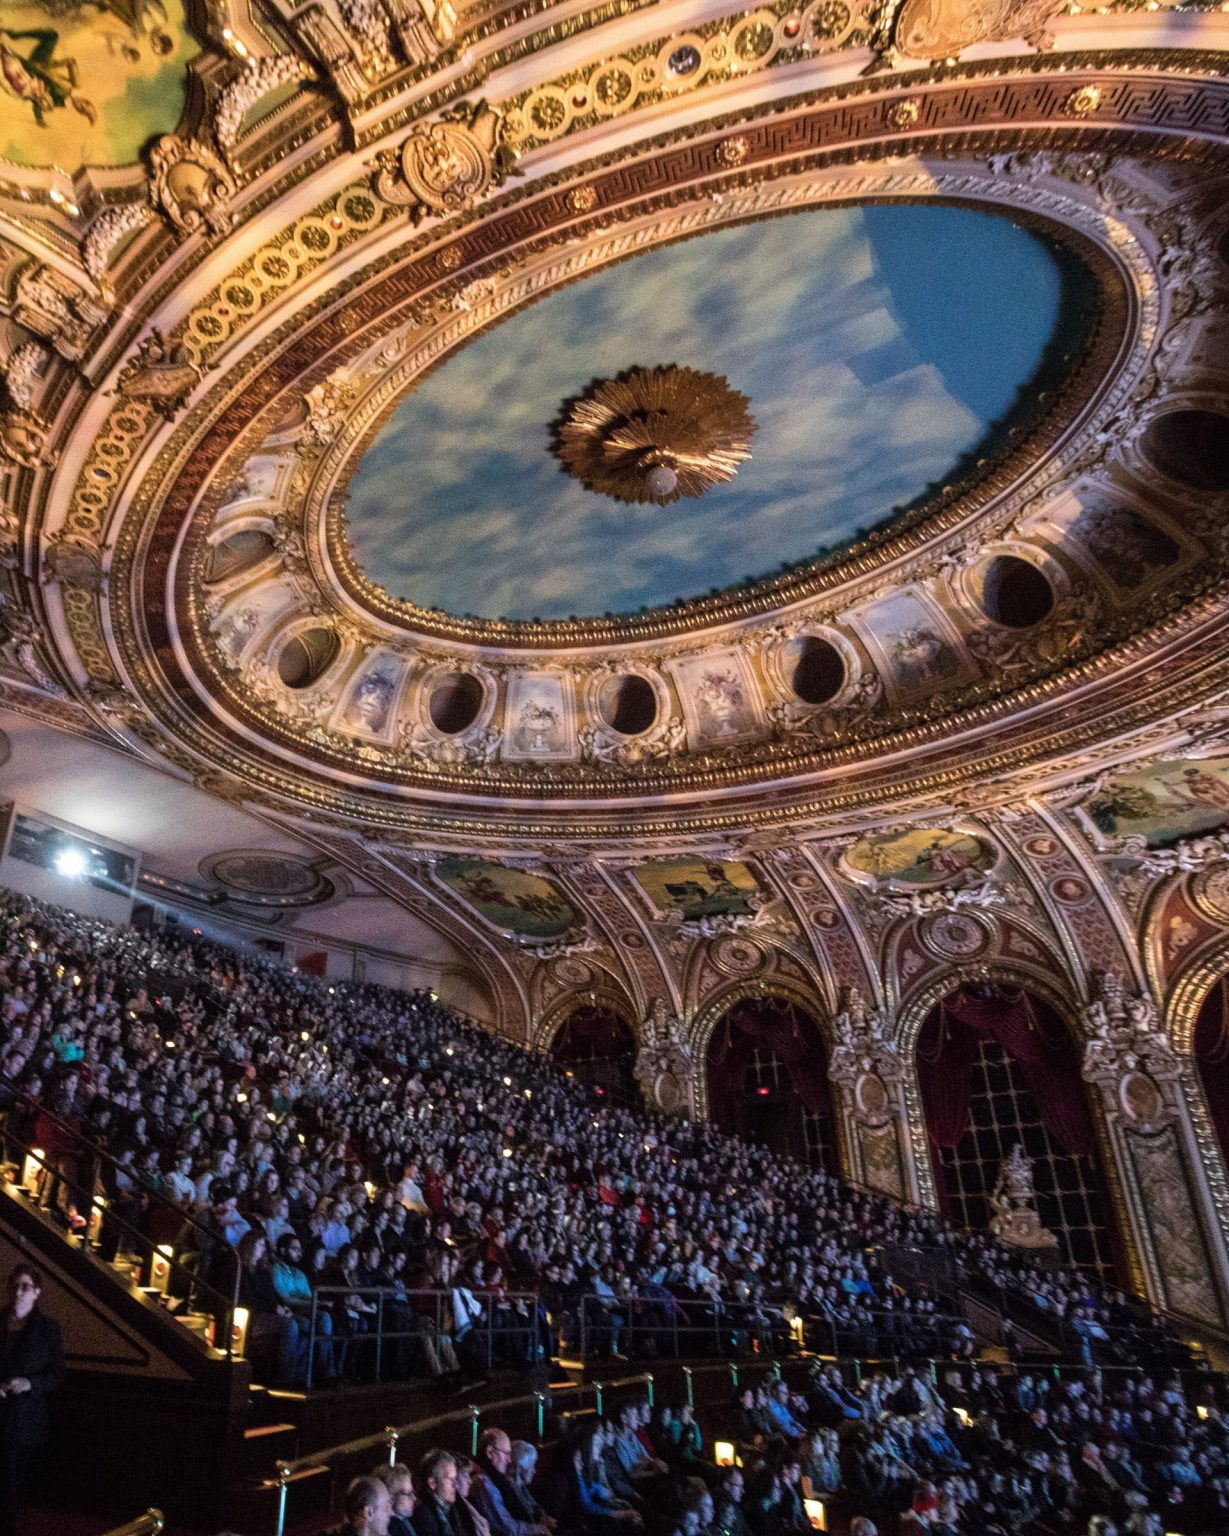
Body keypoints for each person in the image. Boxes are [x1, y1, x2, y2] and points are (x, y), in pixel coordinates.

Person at [0, 1263, 64, 1536]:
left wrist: (29, 1383)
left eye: (25, 1287)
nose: (18, 1292)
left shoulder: (48, 1329)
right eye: (14, 1286)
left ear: (37, 1292)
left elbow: (57, 1374)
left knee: (13, 1484)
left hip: (25, 1420)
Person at [415, 1449, 463, 1536]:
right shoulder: (422, 1515)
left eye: (455, 1478)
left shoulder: (452, 1508)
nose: (456, 1485)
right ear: (432, 1483)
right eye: (449, 1479)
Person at [374, 1463, 418, 1536]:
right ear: (390, 1498)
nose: (414, 1498)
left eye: (412, 1492)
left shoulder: (407, 1521)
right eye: (408, 1494)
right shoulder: (391, 1529)